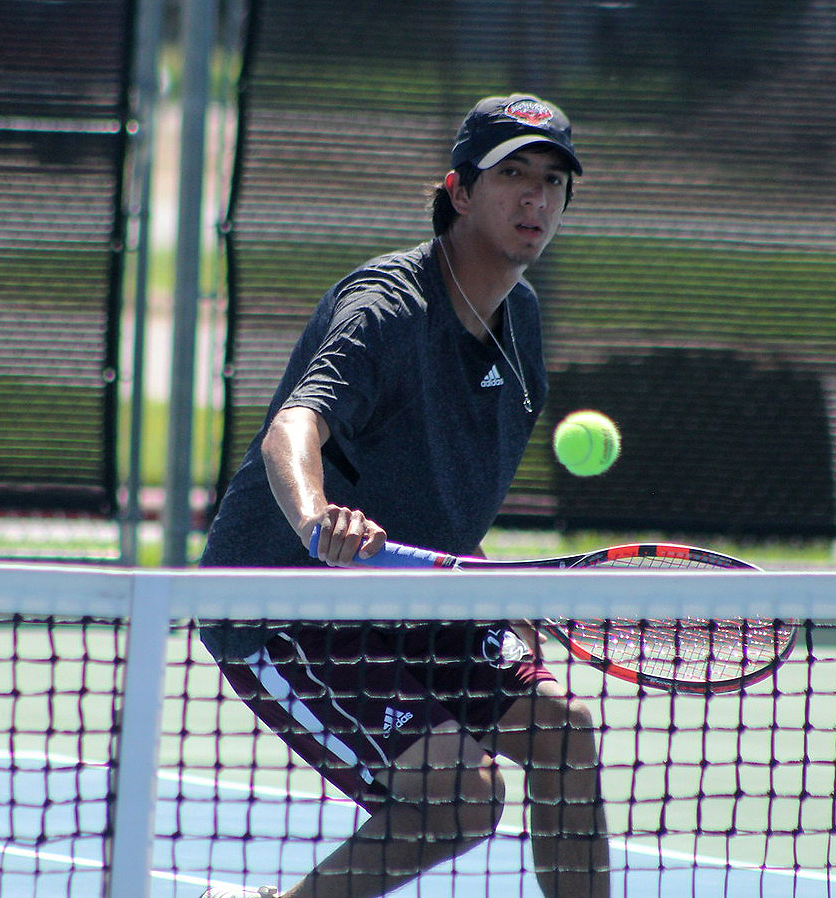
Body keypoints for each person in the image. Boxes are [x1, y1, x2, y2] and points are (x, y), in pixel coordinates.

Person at [198, 94, 610, 898]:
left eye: (554, 180)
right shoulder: (384, 309)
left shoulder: (519, 321)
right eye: (513, 174)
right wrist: (317, 520)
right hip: (287, 603)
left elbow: (432, 489)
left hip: (412, 600)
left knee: (566, 736)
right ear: (459, 191)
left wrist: (480, 578)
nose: (536, 198)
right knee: (464, 797)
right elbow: (295, 427)